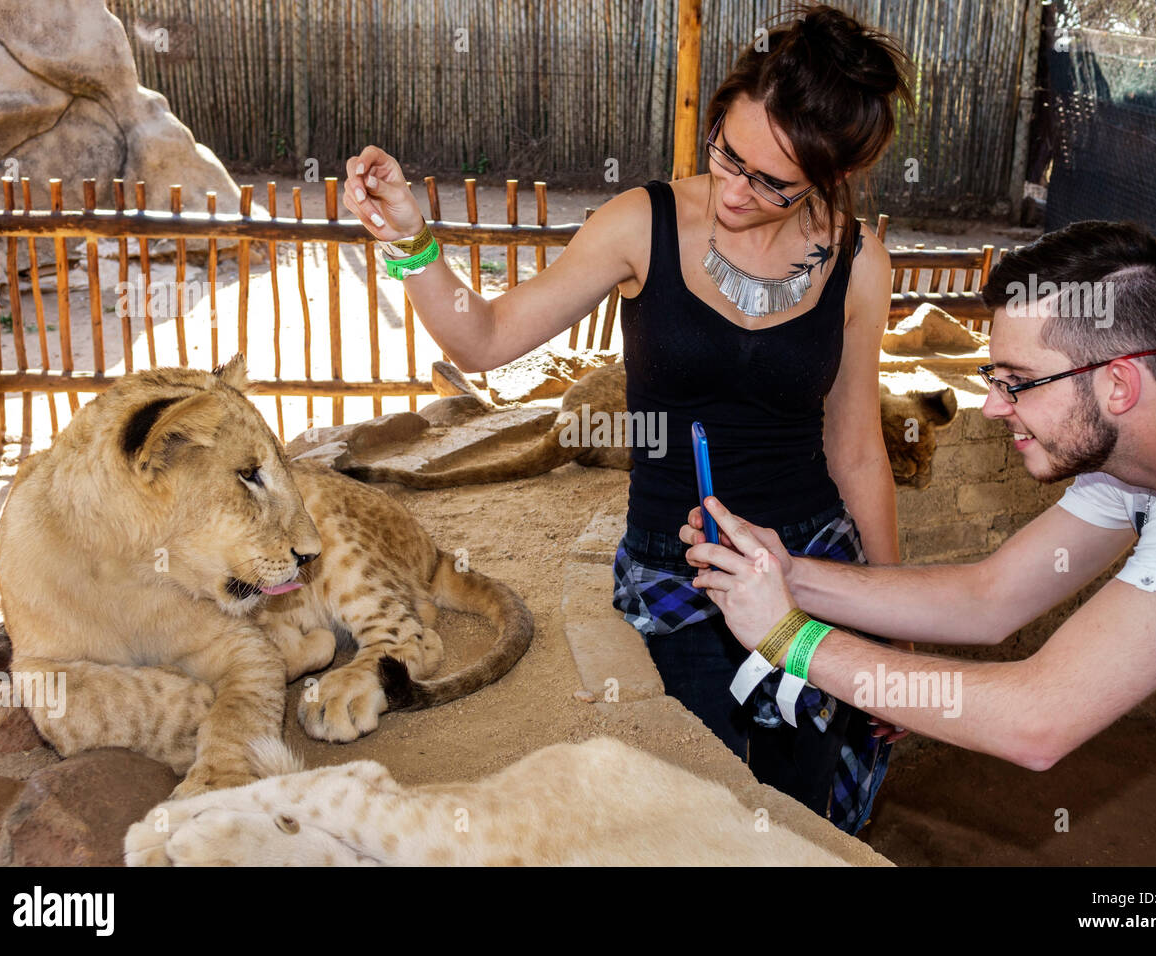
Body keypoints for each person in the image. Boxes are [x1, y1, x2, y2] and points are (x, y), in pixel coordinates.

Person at [341, 4, 915, 833]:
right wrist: (413, 242)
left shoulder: (859, 263)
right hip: (675, 574)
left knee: (800, 818)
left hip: (809, 573)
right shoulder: (639, 225)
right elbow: (484, 337)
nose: (734, 187)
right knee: (696, 816)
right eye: (726, 151)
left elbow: (857, 451)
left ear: (828, 175)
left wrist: (889, 628)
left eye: (770, 181)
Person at [681, 219, 1156, 770]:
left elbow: (1038, 719)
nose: (992, 406)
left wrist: (788, 638)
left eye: (1017, 383)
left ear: (1118, 383)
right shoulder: (1134, 450)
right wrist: (784, 573)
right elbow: (989, 598)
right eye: (993, 381)